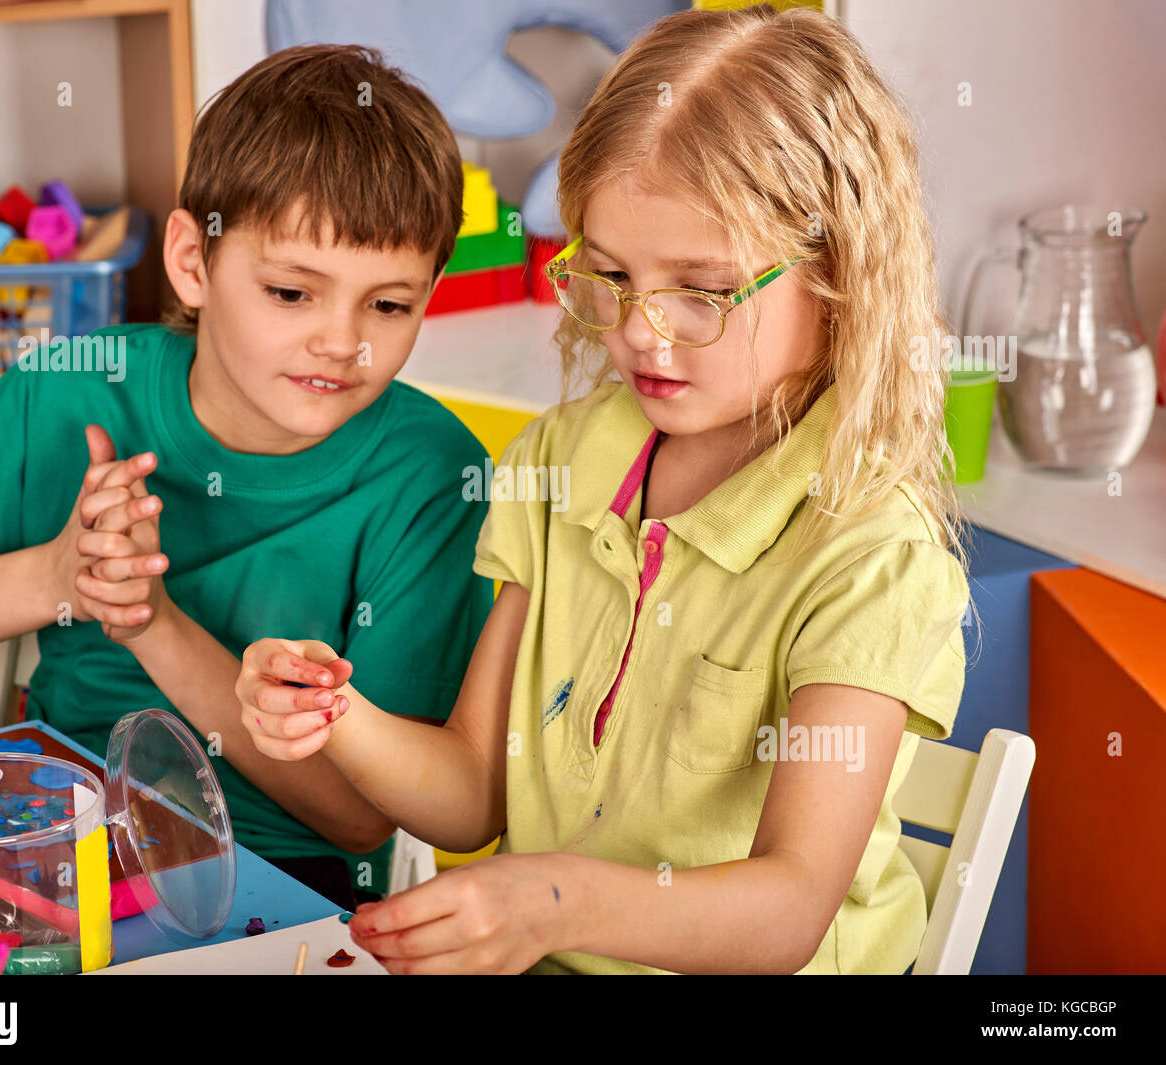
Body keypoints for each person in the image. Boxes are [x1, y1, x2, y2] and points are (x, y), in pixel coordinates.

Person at [238, 5, 973, 973]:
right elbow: (471, 798)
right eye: (612, 274)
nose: (641, 331)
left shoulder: (870, 555)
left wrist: (552, 903)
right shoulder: (558, 465)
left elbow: (788, 910)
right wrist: (338, 720)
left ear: (838, 271)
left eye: (702, 290)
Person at [0, 44, 494, 911]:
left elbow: (356, 821)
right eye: (290, 292)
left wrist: (152, 623)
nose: (342, 342)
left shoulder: (433, 472)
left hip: (278, 878)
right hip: (43, 832)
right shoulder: (65, 388)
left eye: (389, 305)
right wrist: (58, 579)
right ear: (193, 263)